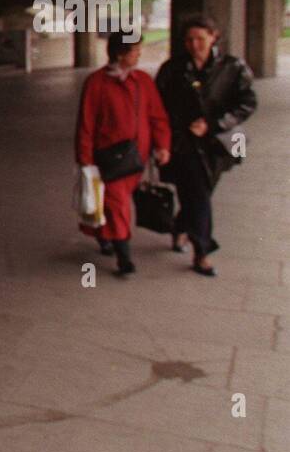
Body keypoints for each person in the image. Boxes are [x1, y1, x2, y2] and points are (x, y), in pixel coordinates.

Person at [154, 15, 257, 276]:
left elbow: (247, 103)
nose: (194, 44)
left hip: (217, 143)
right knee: (198, 194)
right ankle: (202, 252)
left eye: (200, 38)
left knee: (200, 194)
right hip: (184, 143)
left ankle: (180, 228)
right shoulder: (172, 69)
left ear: (214, 36)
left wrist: (213, 123)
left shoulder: (233, 67)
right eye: (189, 39)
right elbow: (159, 107)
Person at [75, 30, 171, 274]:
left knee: (111, 203)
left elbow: (157, 116)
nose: (139, 53)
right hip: (108, 159)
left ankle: (104, 235)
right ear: (120, 54)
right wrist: (84, 159)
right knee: (117, 204)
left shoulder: (143, 81)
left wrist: (162, 145)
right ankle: (124, 256)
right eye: (135, 49)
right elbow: (86, 123)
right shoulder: (96, 83)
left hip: (137, 158)